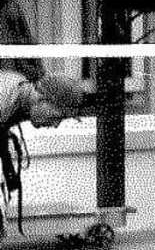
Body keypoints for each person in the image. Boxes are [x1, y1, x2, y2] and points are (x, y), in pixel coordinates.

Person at [1, 70, 90, 236]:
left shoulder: (19, 93)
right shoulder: (4, 97)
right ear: (42, 99)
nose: (56, 125)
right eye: (58, 116)